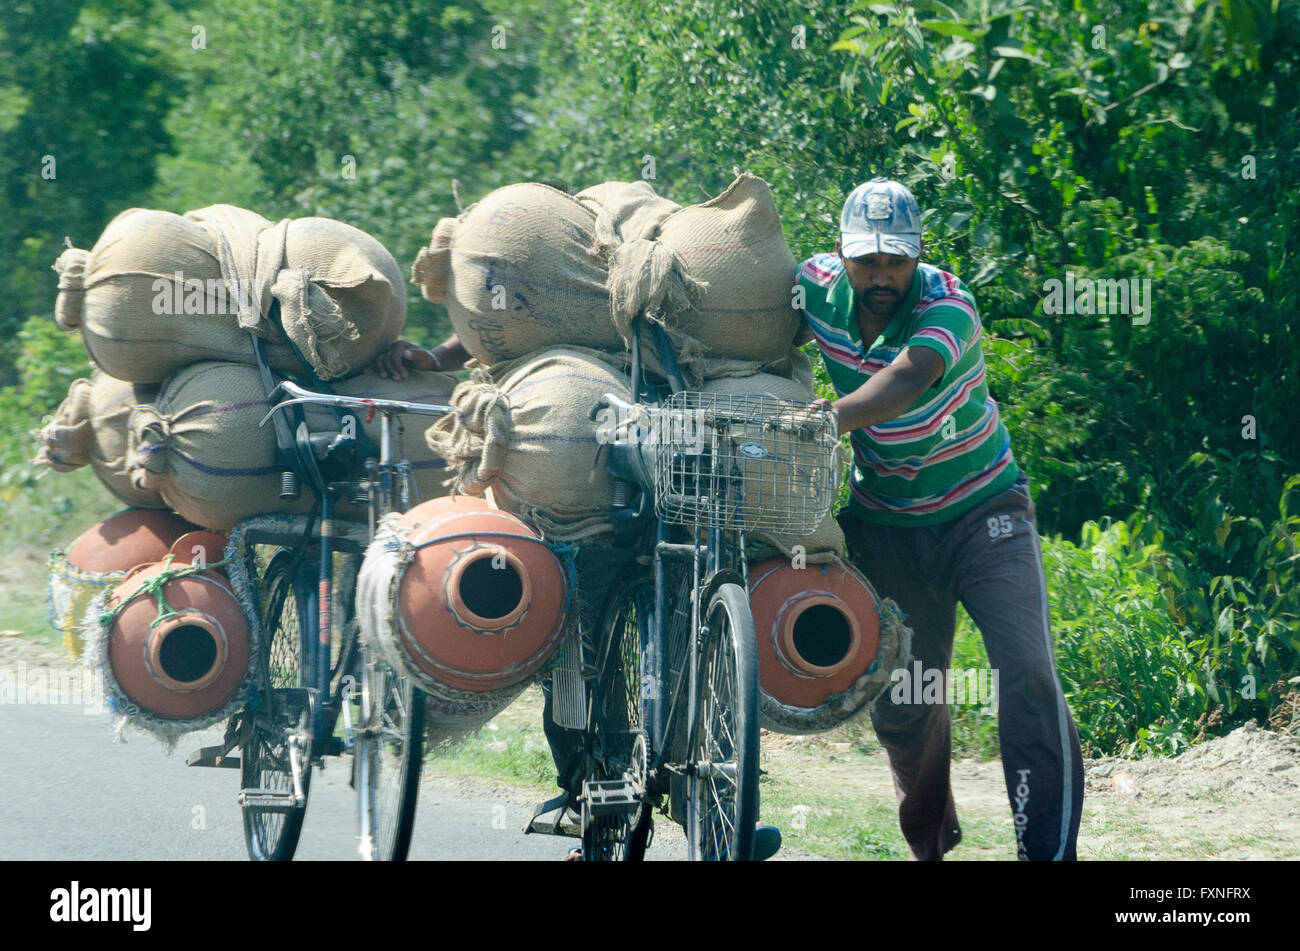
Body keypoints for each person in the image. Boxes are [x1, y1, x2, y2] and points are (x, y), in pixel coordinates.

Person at [798, 177, 1084, 860]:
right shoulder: (811, 288)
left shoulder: (949, 306)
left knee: (1028, 673)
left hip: (986, 512)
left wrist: (823, 420)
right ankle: (929, 842)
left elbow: (905, 380)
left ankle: (1045, 851)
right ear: (842, 254)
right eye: (867, 261)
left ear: (918, 254)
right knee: (905, 698)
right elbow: (747, 311)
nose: (882, 276)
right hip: (888, 524)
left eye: (896, 260)